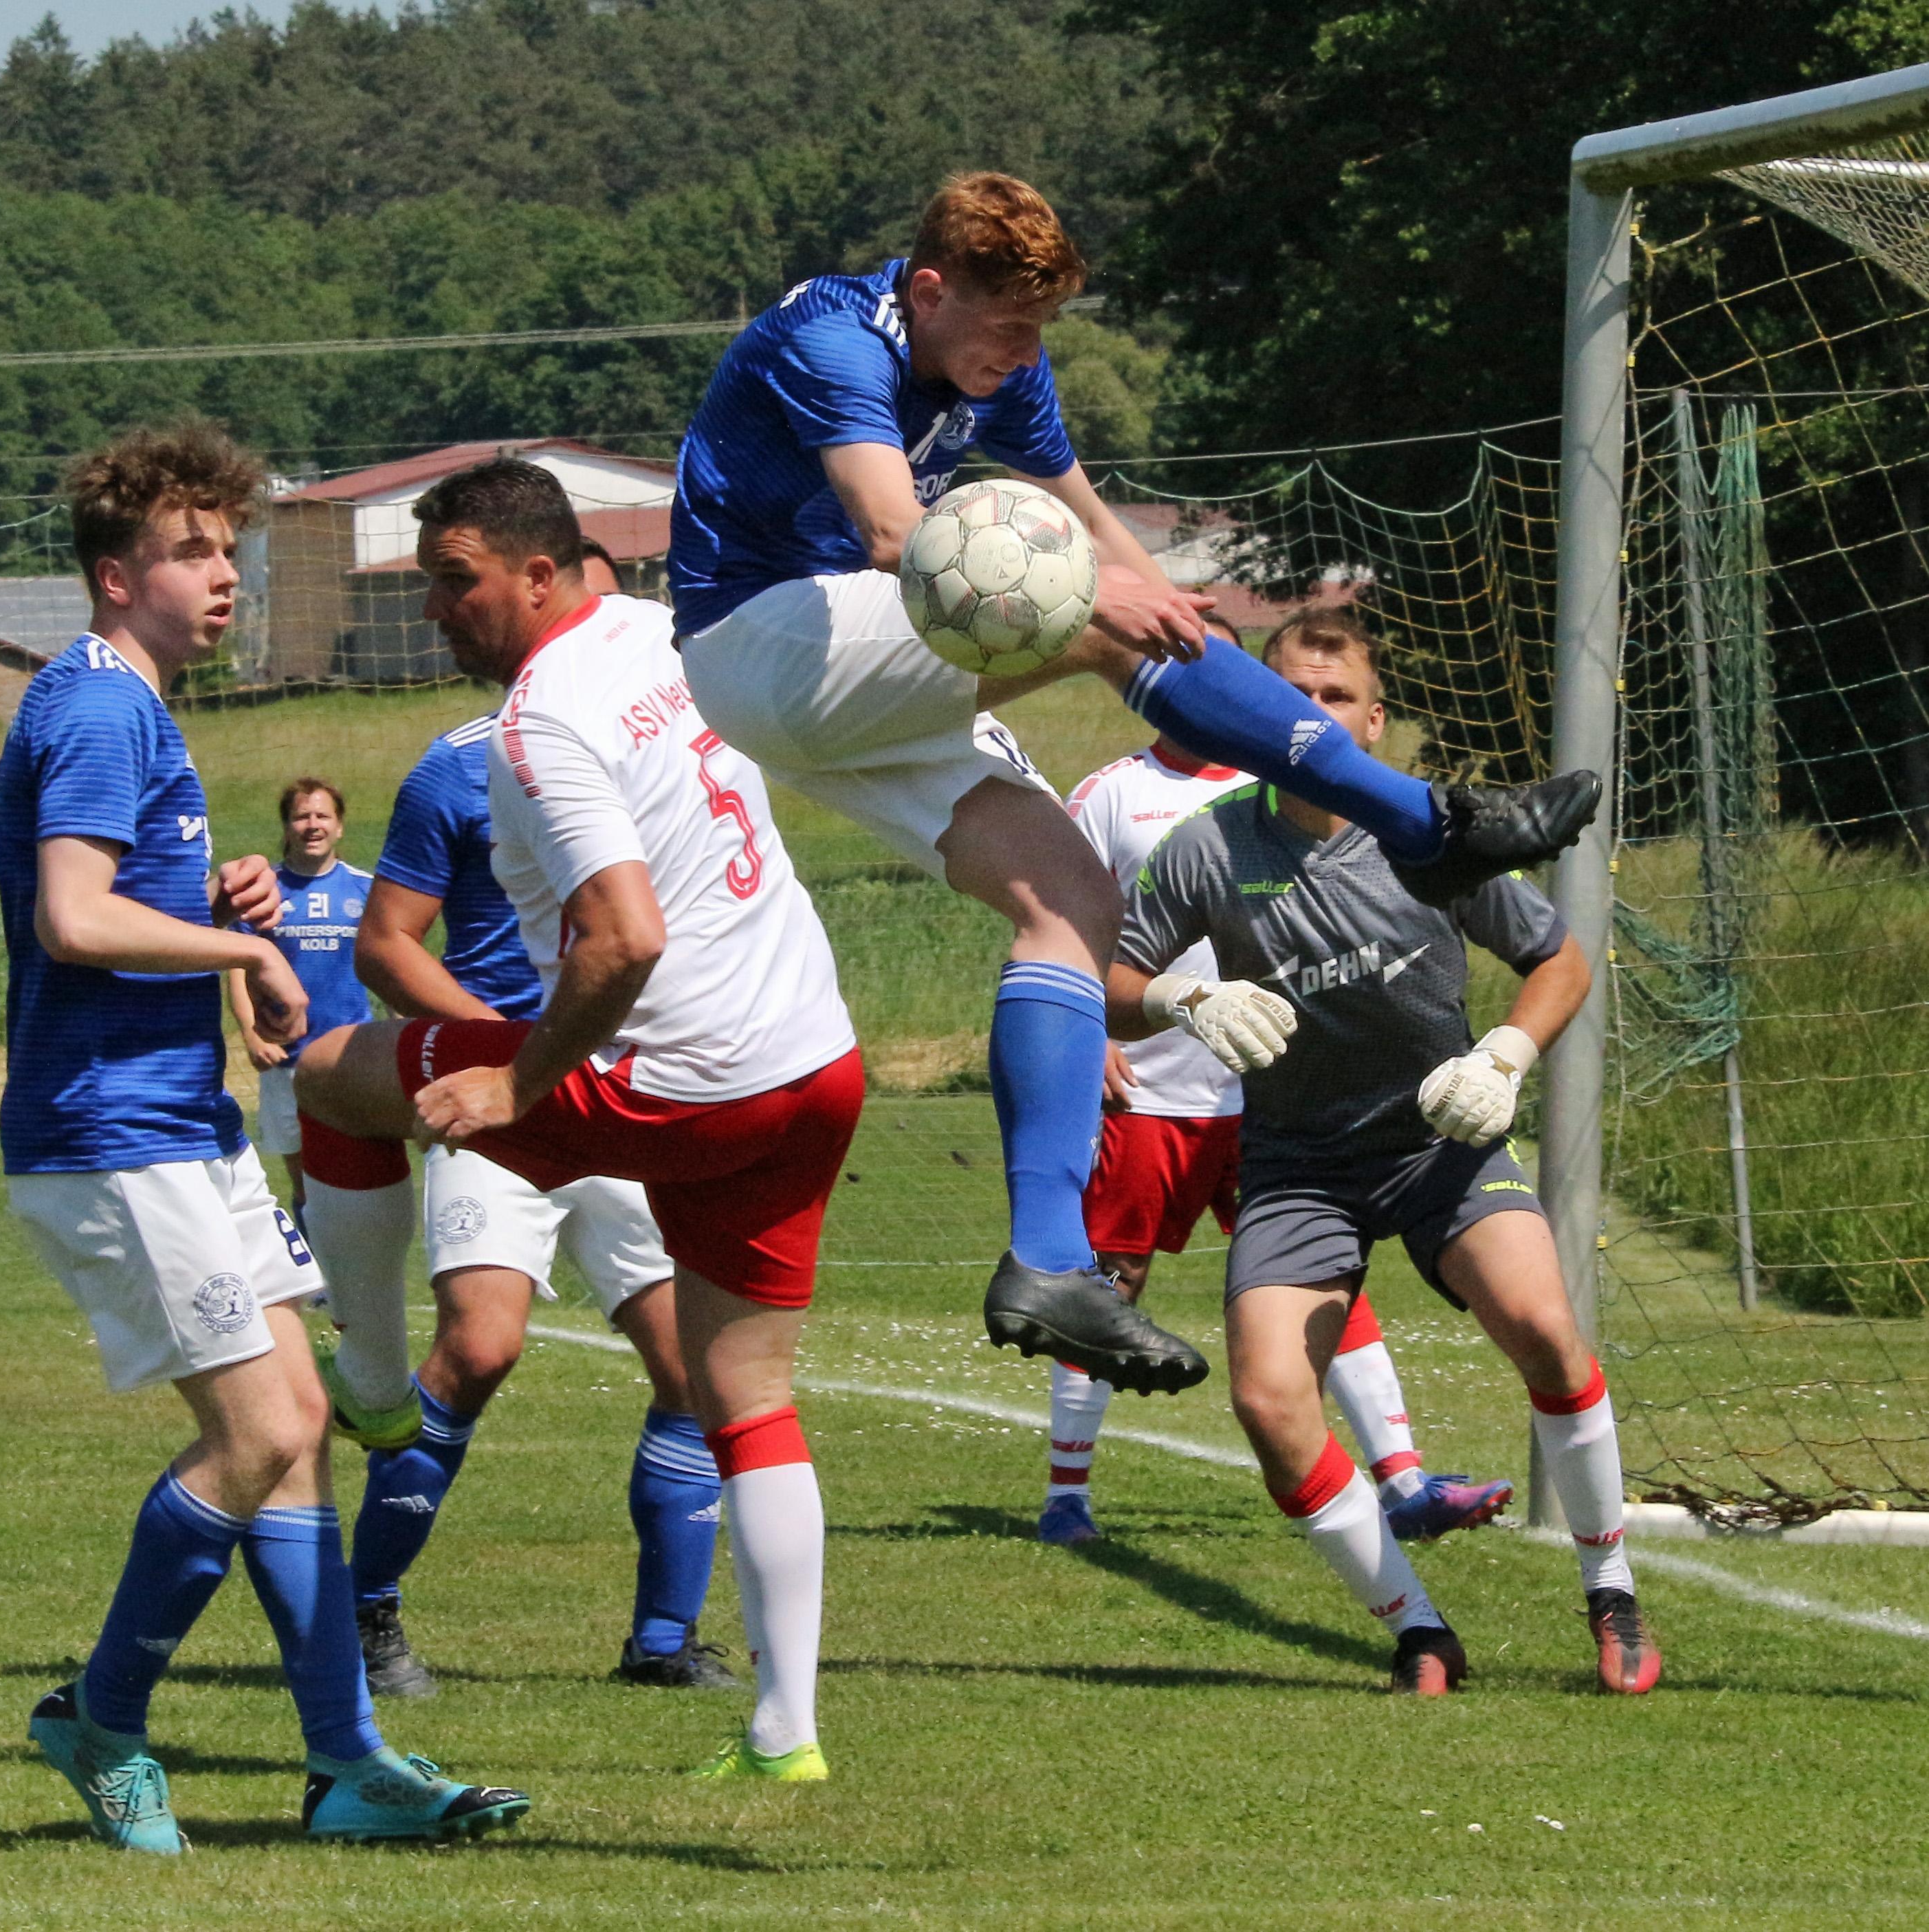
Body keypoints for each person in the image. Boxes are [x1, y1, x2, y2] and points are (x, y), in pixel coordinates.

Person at [668, 169, 1600, 1394]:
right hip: (761, 641)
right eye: (1008, 326)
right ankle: (1422, 825)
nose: (1024, 352)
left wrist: (1175, 617)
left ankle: (1048, 1261)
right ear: (930, 290)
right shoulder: (837, 338)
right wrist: (1110, 604)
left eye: (1041, 326)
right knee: (1085, 612)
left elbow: (1094, 525)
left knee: (1071, 900)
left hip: (849, 668)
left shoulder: (1004, 361)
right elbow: (899, 537)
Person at [0, 421, 528, 1851]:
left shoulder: (136, 708)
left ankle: (347, 1764)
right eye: (190, 551)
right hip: (112, 1134)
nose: (222, 573)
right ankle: (101, 1715)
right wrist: (246, 954)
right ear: (117, 576)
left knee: (300, 1438)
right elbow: (71, 916)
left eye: (227, 548)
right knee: (265, 1427)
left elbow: (118, 898)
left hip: (187, 1125)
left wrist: (221, 900)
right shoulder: (98, 706)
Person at [300, 458, 862, 1781]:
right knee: (743, 1393)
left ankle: (371, 1391)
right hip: (811, 1066)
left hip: (661, 1077)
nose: (433, 611)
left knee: (326, 1071)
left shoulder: (540, 720)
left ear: (542, 575)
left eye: (455, 582)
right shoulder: (663, 636)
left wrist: (518, 1083)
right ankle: (785, 1730)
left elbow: (622, 940)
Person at [1107, 609, 1656, 1697]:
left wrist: (1503, 1055)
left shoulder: (1430, 833)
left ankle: (1613, 1589)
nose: (1311, 715)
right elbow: (1111, 985)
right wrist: (1183, 998)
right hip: (1298, 1166)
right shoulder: (1207, 847)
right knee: (1270, 1403)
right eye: (1289, 696)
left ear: (1374, 720)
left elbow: (1558, 961)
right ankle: (1419, 1630)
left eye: (1336, 697)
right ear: (1250, 713)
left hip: (1440, 1141)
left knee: (1548, 1331)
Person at [327, 593, 732, 1698]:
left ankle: (662, 1641)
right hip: (500, 1100)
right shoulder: (458, 764)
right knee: (480, 1348)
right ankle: (363, 1614)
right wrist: (499, 1051)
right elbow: (385, 943)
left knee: (692, 1369)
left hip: (624, 1092)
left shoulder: (659, 729)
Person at [1039, 736, 1510, 1548]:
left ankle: (1404, 1482)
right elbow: (1056, 917)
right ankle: (1065, 1494)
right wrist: (1090, 1031)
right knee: (1113, 1277)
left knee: (1325, 1270)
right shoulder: (1111, 792)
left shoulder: (1292, 788)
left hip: (1282, 1095)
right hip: (1152, 1090)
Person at [227, 778, 374, 1216]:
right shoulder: (262, 890)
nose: (313, 825)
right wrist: (252, 1034)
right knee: (306, 1182)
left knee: (360, 1173)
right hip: (286, 1059)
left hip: (352, 1056)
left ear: (339, 826)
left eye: (323, 816)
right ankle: (317, 1260)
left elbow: (390, 967)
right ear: (287, 826)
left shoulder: (366, 889)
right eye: (301, 816)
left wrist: (404, 1032)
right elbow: (238, 967)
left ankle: (355, 1256)